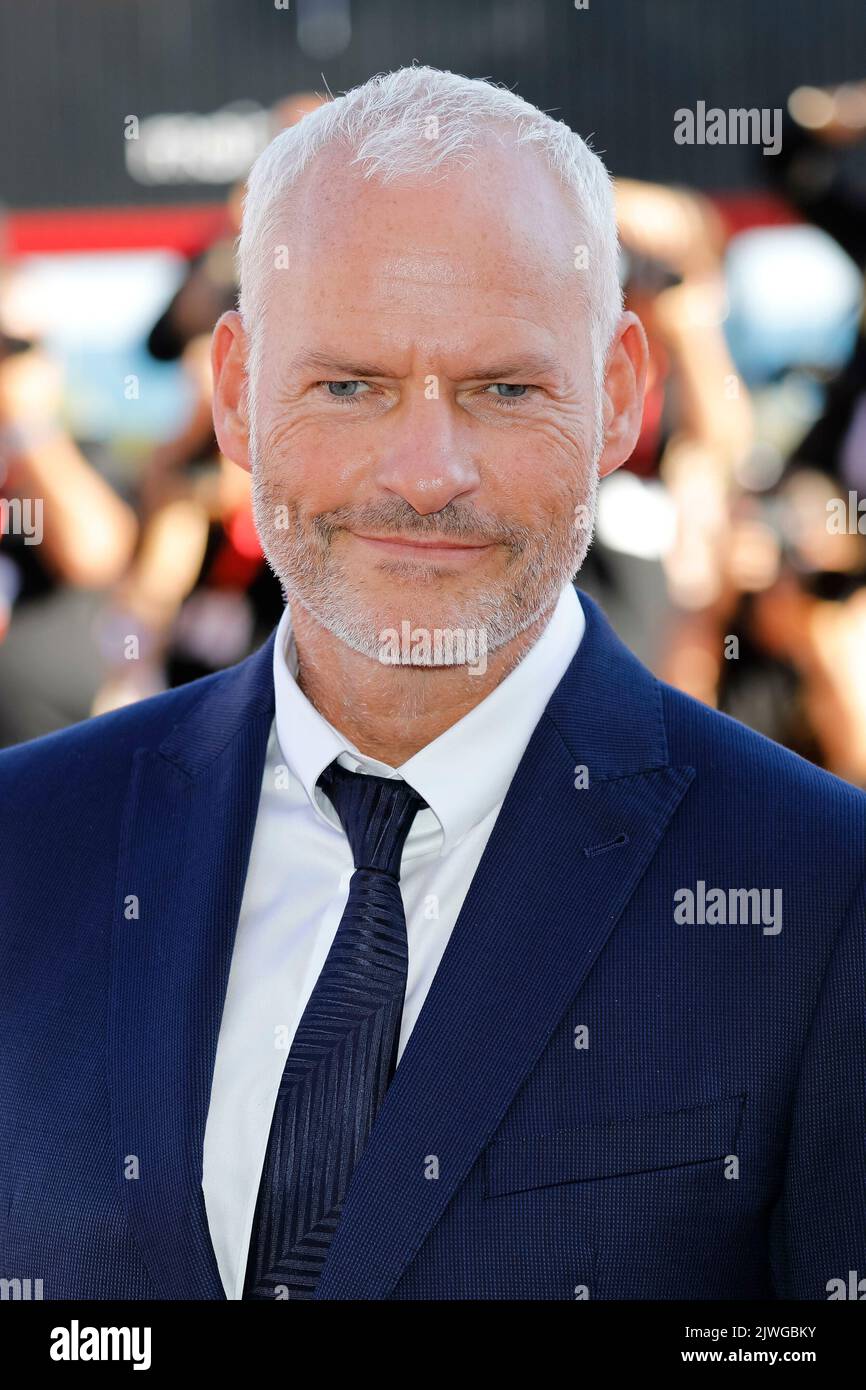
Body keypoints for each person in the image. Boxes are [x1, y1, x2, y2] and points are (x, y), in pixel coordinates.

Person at [1, 65, 864, 1303]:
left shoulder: (823, 898)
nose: (422, 471)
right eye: (348, 384)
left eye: (501, 389)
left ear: (620, 393)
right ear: (234, 390)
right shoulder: (25, 845)